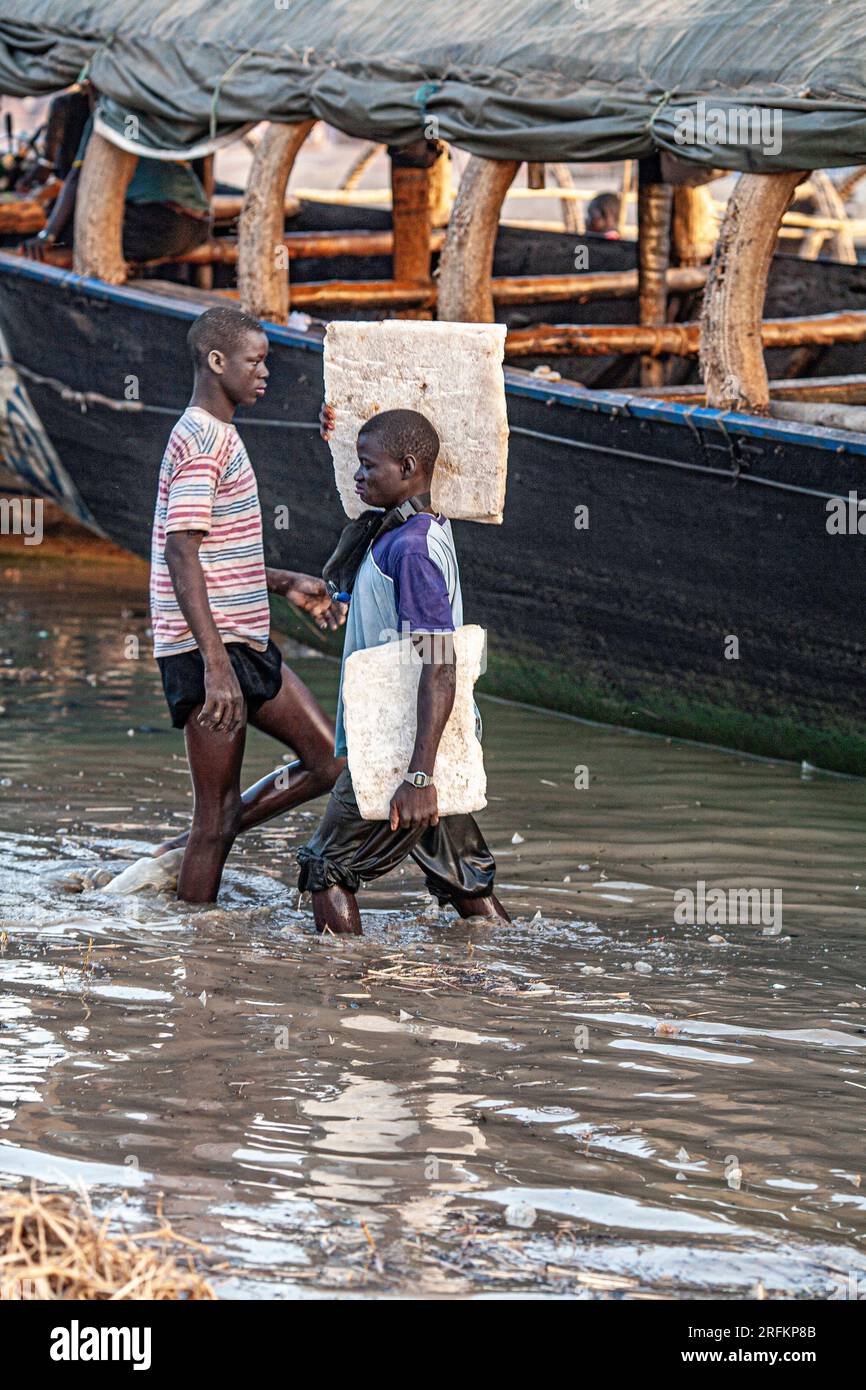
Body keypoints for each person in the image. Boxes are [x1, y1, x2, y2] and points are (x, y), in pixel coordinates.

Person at [151, 305, 344, 903]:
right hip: (211, 651)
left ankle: (194, 843)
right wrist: (214, 666)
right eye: (255, 362)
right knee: (215, 823)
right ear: (216, 362)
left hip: (244, 643)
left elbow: (211, 556)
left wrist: (284, 582)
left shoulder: (220, 433)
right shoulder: (202, 441)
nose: (265, 373)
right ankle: (196, 950)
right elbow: (180, 554)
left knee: (329, 762)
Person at [296, 405, 510, 935]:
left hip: (401, 751)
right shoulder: (407, 532)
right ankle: (509, 980)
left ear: (409, 467)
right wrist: (338, 429)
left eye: (368, 465)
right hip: (422, 744)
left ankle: (343, 994)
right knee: (465, 879)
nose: (357, 474)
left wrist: (418, 776)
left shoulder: (411, 550)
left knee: (327, 869)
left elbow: (439, 665)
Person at [21, 85, 210, 264]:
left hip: (160, 228)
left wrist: (47, 235)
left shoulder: (111, 116)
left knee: (69, 225)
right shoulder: (156, 110)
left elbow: (75, 179)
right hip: (198, 228)